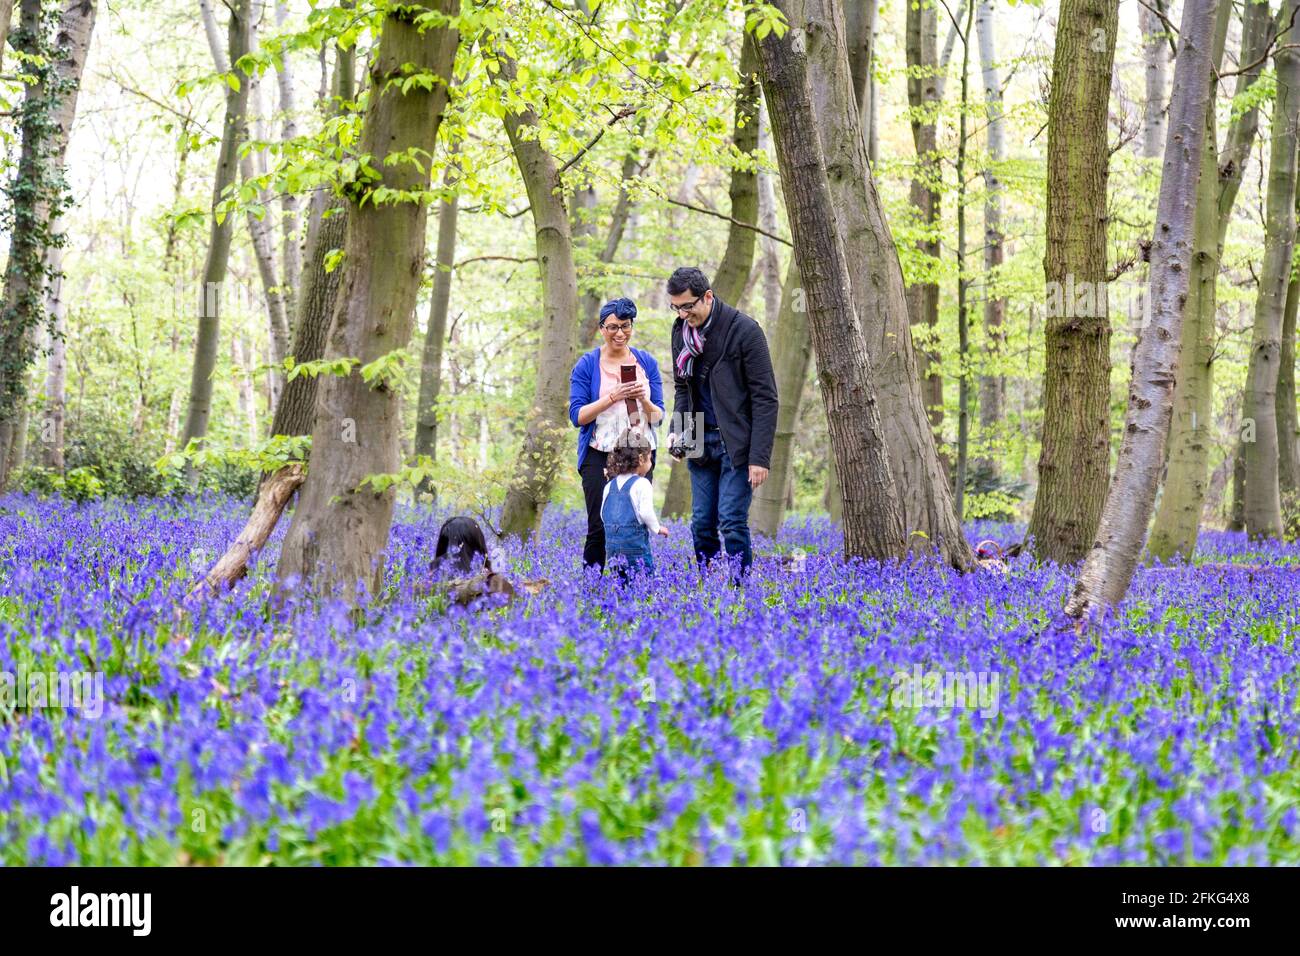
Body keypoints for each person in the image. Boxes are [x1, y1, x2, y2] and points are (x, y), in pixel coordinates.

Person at [665, 266, 778, 578]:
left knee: (730, 519)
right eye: (675, 307)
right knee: (701, 523)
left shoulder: (745, 331)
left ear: (708, 297)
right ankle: (708, 583)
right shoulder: (680, 332)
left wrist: (759, 457)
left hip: (736, 443)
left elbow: (766, 398)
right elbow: (682, 387)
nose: (683, 314)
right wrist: (678, 432)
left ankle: (739, 589)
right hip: (700, 439)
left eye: (688, 306)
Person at [568, 297, 666, 571]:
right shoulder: (587, 364)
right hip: (599, 455)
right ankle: (593, 587)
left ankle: (636, 581)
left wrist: (643, 401)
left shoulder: (646, 362)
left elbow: (658, 418)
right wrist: (613, 396)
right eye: (612, 327)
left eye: (625, 326)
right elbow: (577, 416)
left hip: (639, 455)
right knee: (600, 525)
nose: (619, 333)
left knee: (634, 521)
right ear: (602, 328)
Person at [601, 430, 668, 580]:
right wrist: (657, 528)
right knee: (643, 583)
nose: (651, 464)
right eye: (650, 459)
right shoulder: (642, 484)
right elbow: (646, 512)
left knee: (620, 584)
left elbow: (603, 514)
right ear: (641, 459)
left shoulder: (609, 486)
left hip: (612, 549)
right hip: (634, 550)